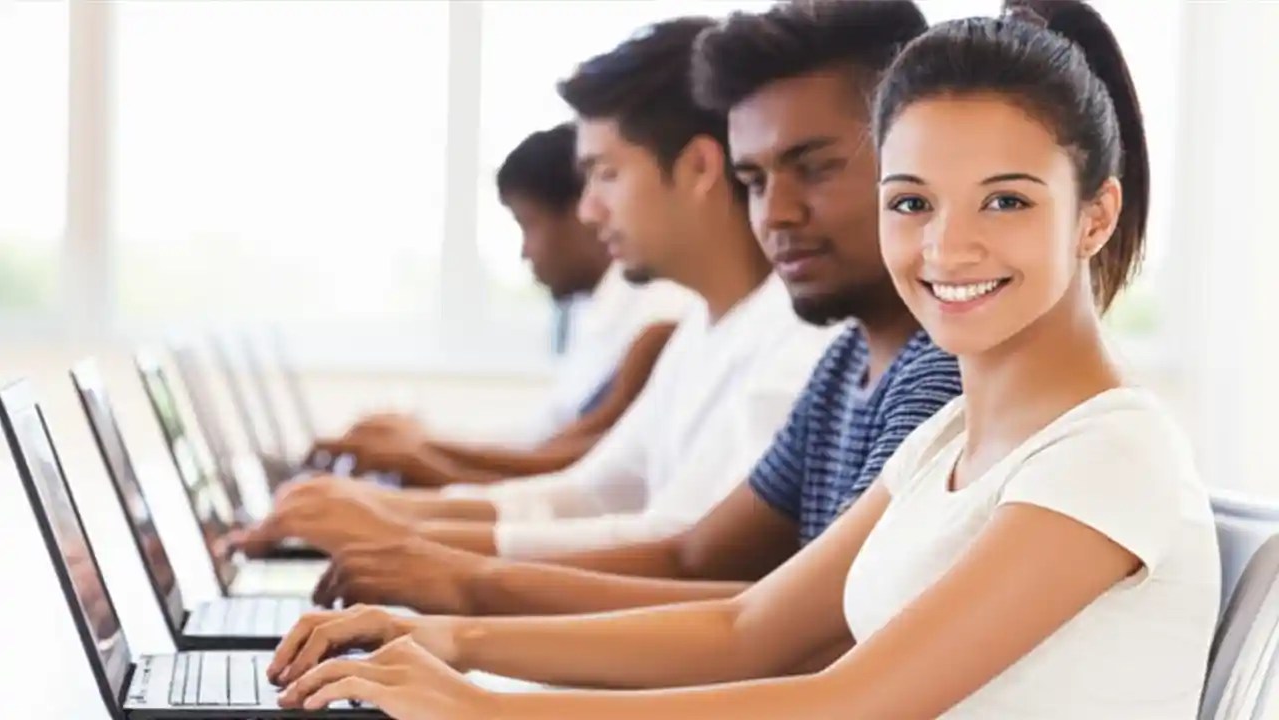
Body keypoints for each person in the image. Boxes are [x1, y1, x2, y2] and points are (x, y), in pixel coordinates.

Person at [268, 2, 1222, 717]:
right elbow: (751, 625)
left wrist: (484, 705)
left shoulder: (1109, 452)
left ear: (1094, 213)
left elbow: (844, 702)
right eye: (911, 201)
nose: (946, 249)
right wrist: (448, 636)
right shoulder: (948, 441)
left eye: (1006, 201)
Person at [300, 0, 961, 619]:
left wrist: (457, 585)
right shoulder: (842, 360)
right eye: (755, 180)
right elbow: (692, 556)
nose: (776, 212)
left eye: (814, 167)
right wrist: (432, 570)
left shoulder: (925, 374)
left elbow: (782, 635)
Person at [237, 16, 841, 561]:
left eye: (605, 174)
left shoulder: (794, 342)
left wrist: (407, 539)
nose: (588, 209)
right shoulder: (701, 330)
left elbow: (679, 548)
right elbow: (587, 493)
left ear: (699, 169)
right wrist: (383, 517)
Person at [307, 123, 692, 488]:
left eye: (528, 224)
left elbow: (569, 467)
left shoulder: (659, 321)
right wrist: (420, 443)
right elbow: (546, 440)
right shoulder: (599, 313)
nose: (525, 252)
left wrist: (420, 455)